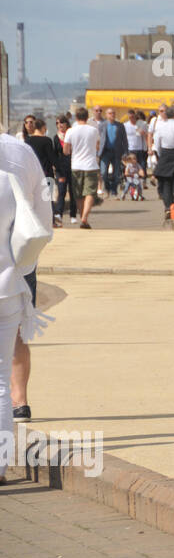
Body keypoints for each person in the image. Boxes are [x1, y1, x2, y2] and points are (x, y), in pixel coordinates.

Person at [0, 131, 53, 475]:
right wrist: (20, 270)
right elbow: (42, 225)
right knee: (2, 381)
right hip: (9, 283)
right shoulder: (21, 154)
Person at [63, 107, 101, 229]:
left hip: (76, 165)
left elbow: (66, 150)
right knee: (90, 192)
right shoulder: (93, 130)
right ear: (87, 117)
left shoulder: (70, 131)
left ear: (76, 117)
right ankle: (85, 217)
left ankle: (82, 217)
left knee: (78, 193)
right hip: (90, 164)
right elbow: (97, 147)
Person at [99, 107, 128, 198]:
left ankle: (114, 190)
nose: (112, 115)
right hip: (105, 152)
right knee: (103, 173)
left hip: (116, 152)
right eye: (110, 113)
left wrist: (126, 152)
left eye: (113, 113)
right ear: (106, 115)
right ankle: (107, 188)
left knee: (116, 174)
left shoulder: (120, 125)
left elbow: (124, 140)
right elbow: (99, 139)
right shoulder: (102, 125)